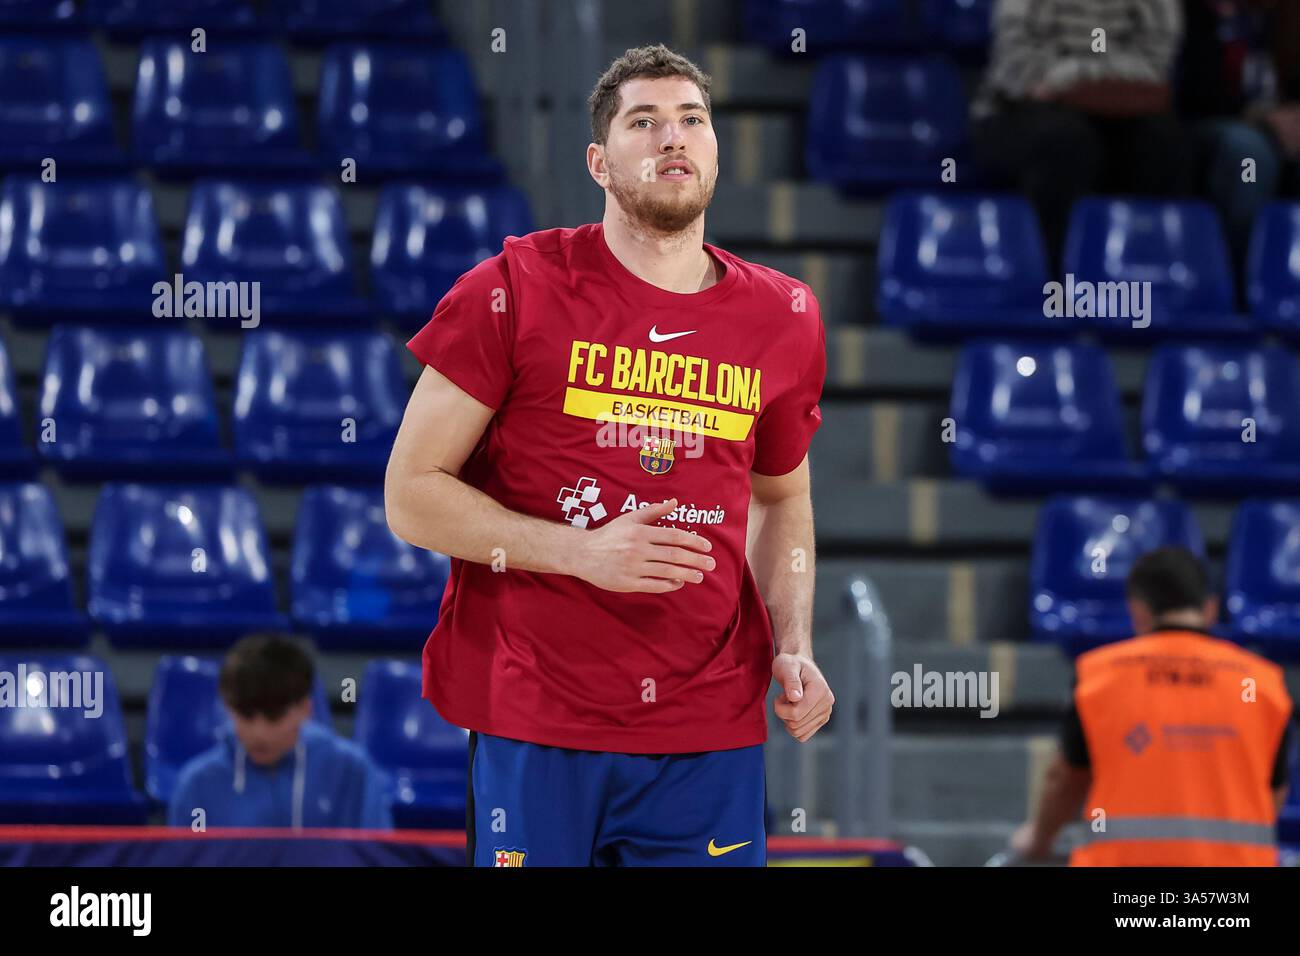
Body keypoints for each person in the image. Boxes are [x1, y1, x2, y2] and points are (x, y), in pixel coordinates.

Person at [385, 44, 831, 867]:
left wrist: (793, 641)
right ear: (599, 159)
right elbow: (410, 494)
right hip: (539, 714)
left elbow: (781, 498)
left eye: (692, 121)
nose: (674, 139)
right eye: (645, 122)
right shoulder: (511, 288)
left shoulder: (786, 316)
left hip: (709, 725)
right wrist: (580, 552)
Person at [1013, 547, 1294, 865]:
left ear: (1138, 610)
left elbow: (1065, 780)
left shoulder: (1101, 675)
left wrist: (1039, 839)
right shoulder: (1261, 683)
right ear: (1211, 608)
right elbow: (1272, 792)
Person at [971, 0, 1194, 265]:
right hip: (1017, 108)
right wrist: (1100, 76)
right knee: (1066, 143)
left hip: (1119, 110)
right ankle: (1054, 282)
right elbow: (1018, 69)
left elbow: (1155, 65)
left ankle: (1144, 275)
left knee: (1166, 144)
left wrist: (1072, 75)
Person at [168, 634, 393, 830]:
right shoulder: (197, 784)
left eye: (274, 717)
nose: (259, 733)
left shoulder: (352, 771)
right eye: (246, 715)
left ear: (305, 708)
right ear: (228, 708)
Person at [1178, 0, 1300, 275]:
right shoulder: (1192, 13)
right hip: (1211, 124)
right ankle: (1242, 276)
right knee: (1250, 155)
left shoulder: (1285, 16)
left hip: (1279, 124)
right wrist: (1263, 119)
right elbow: (1196, 95)